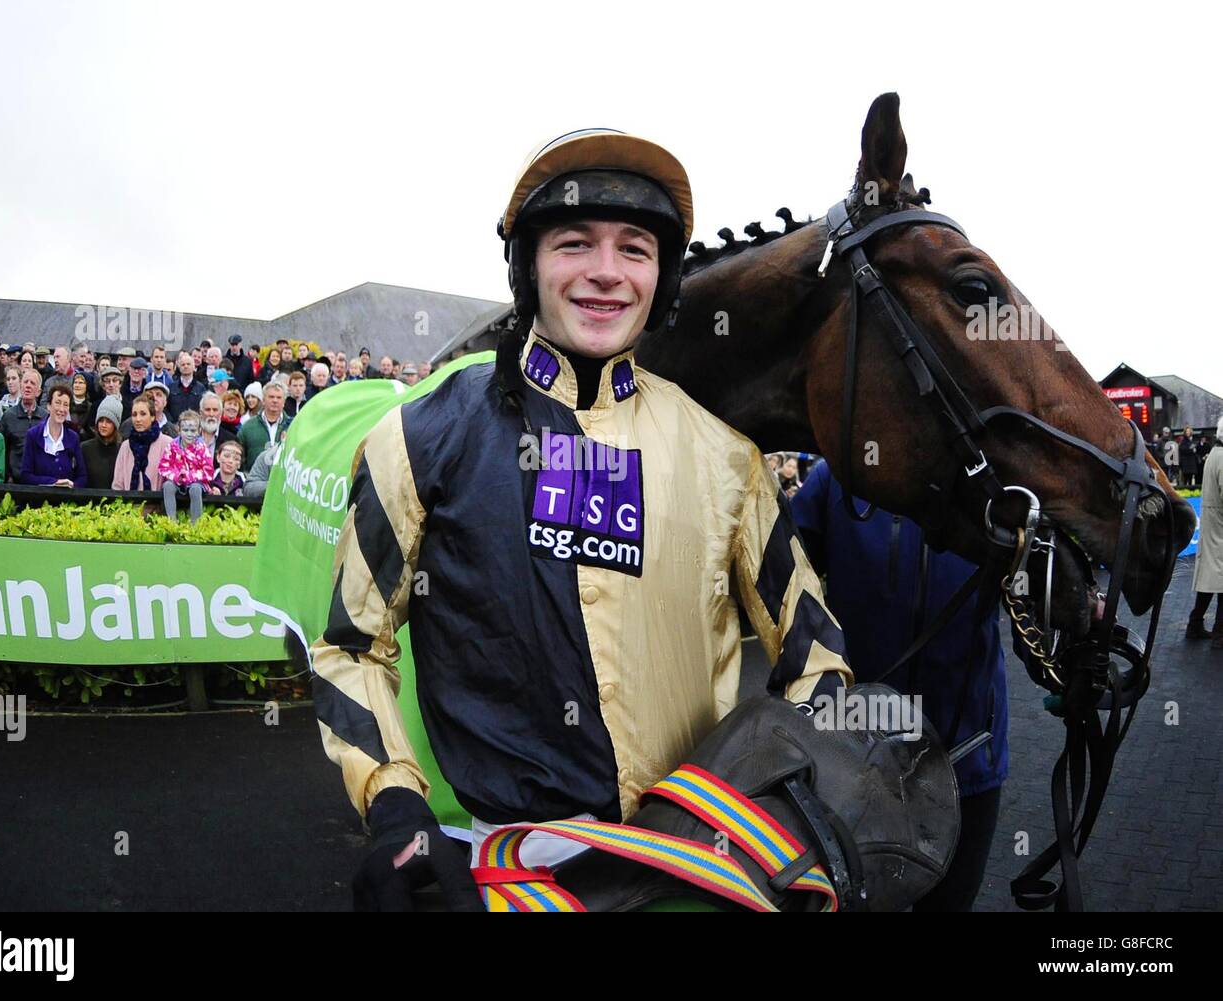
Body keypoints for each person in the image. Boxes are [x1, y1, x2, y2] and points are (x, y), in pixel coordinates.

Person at [311, 129, 851, 909]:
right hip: (503, 873)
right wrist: (396, 807)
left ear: (663, 280)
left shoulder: (729, 458)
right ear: (527, 267)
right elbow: (351, 644)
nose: (606, 272)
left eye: (635, 248)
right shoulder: (419, 438)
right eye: (574, 243)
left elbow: (817, 660)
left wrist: (797, 793)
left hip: (698, 869)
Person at [790, 459, 1007, 910]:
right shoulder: (837, 477)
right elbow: (780, 579)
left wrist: (1074, 638)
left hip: (965, 759)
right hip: (854, 765)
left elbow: (1039, 601)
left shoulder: (995, 479)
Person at [1187, 415, 1223, 648]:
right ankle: (1220, 635)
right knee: (1220, 581)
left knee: (1211, 578)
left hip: (1213, 523)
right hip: (1220, 525)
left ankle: (1195, 624)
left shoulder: (1214, 454)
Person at [20, 384, 87, 487]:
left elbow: (82, 477)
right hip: (38, 500)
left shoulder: (73, 438)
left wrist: (72, 485)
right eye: (58, 403)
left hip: (66, 501)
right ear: (49, 406)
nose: (61, 409)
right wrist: (53, 483)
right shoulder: (33, 435)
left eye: (65, 405)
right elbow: (25, 475)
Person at [158, 410, 214, 523]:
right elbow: (163, 467)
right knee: (168, 486)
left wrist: (189, 476)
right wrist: (176, 475)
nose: (189, 434)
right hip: (177, 481)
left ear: (199, 431)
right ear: (179, 430)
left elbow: (208, 472)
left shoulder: (202, 448)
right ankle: (171, 521)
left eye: (193, 430)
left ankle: (196, 524)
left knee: (195, 489)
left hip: (197, 482)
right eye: (185, 430)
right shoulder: (172, 446)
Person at [112, 393, 170, 491]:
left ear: (152, 417)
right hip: (129, 505)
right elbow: (117, 485)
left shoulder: (167, 444)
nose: (138, 419)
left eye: (143, 414)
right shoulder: (125, 446)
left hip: (158, 505)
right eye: (134, 415)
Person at [0, 368, 48, 482]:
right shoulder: (8, 416)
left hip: (39, 483)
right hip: (14, 482)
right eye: (25, 382)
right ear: (21, 385)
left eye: (32, 383)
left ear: (39, 391)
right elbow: (2, 451)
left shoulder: (46, 418)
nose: (28, 386)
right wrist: (7, 476)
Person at [237, 381, 290, 470]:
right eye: (271, 397)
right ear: (263, 400)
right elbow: (239, 456)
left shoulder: (292, 426)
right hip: (256, 480)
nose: (275, 400)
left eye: (279, 397)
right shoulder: (248, 427)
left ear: (284, 402)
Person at [81, 397, 123, 489]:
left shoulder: (122, 450)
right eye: (101, 420)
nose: (103, 425)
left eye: (108, 421)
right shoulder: (85, 448)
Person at [168, 351, 206, 418]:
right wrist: (172, 425)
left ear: (194, 367)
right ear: (179, 367)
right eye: (183, 364)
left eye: (188, 364)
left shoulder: (201, 388)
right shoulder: (171, 388)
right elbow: (167, 409)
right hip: (174, 426)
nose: (185, 366)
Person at [68, 372, 94, 438]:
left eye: (81, 383)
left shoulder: (91, 408)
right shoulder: (66, 404)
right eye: (75, 382)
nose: (77, 385)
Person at [1179, 426, 1201, 491]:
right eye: (1187, 431)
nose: (1188, 432)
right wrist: (1191, 450)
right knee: (1185, 479)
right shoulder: (1183, 441)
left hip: (1191, 463)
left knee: (1191, 478)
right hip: (1186, 463)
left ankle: (1191, 491)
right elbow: (1182, 449)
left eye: (1189, 431)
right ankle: (1185, 491)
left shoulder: (1192, 440)